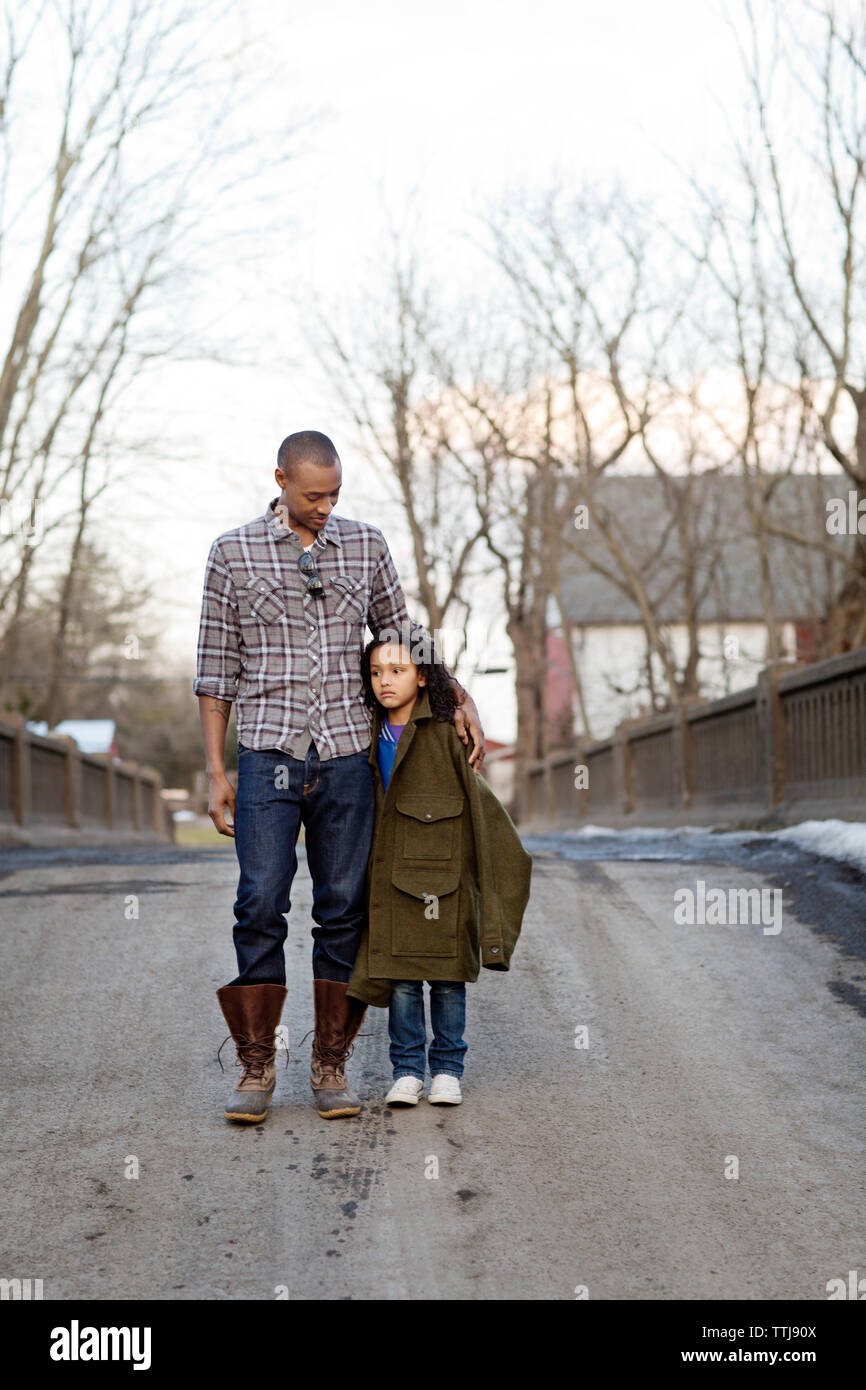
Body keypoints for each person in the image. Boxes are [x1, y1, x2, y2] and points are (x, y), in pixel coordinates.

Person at [193, 430, 486, 1123]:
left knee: (343, 907)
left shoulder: (366, 545)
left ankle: (330, 1062)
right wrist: (215, 770)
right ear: (281, 481)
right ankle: (257, 1066)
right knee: (260, 903)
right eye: (313, 496)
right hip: (267, 755)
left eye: (334, 495)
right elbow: (214, 673)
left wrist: (458, 697)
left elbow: (403, 637)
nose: (325, 507)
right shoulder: (232, 554)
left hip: (349, 758)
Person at [346, 628, 532, 1107]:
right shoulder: (361, 733)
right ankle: (406, 1070)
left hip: (442, 884)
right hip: (391, 882)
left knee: (448, 980)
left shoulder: (451, 735)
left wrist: (485, 897)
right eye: (376, 672)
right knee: (403, 979)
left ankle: (448, 1069)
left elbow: (482, 815)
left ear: (424, 677)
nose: (385, 681)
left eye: (398, 670)